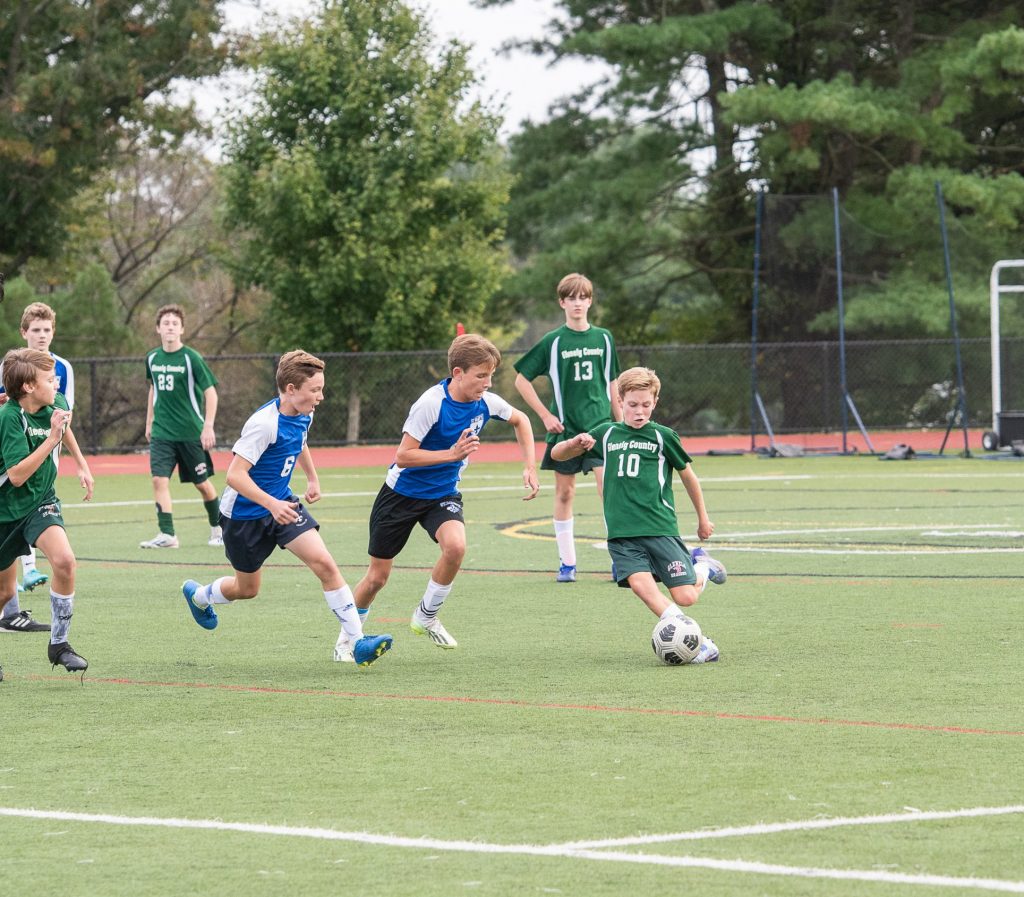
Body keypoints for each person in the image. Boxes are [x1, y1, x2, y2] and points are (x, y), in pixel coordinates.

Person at [179, 350, 393, 667]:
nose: (320, 396)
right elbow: (235, 475)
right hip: (243, 518)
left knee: (325, 565)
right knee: (247, 588)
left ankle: (356, 642)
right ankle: (199, 596)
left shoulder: (304, 412)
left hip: (284, 505)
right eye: (315, 390)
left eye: (321, 389)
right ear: (291, 389)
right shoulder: (263, 425)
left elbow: (300, 441)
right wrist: (270, 504)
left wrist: (312, 478)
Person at [345, 334, 539, 658]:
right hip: (400, 495)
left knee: (457, 546)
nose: (488, 383)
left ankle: (427, 615)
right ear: (458, 373)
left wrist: (530, 466)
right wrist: (450, 454)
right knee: (377, 578)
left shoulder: (486, 403)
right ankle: (347, 638)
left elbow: (521, 420)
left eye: (491, 376)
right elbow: (404, 456)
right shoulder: (431, 404)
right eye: (481, 376)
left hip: (442, 494)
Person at [551, 366, 726, 664]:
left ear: (655, 402)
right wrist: (574, 443)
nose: (639, 411)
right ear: (619, 401)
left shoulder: (663, 436)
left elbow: (689, 477)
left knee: (686, 597)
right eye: (632, 405)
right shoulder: (606, 433)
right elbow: (558, 455)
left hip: (660, 528)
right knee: (641, 586)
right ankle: (697, 640)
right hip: (622, 534)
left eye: (646, 405)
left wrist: (703, 518)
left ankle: (704, 567)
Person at [514, 273, 621, 583]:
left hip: (601, 428)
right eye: (571, 298)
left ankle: (621, 560)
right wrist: (546, 416)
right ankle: (567, 564)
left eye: (583, 297)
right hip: (566, 430)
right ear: (562, 302)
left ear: (590, 301)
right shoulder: (553, 340)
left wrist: (621, 424)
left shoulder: (604, 338)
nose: (577, 303)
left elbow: (613, 384)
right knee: (564, 493)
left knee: (609, 491)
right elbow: (522, 379)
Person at [0, 302, 94, 633]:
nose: (42, 335)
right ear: (24, 333)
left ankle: (58, 641)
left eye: (47, 330)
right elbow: (16, 466)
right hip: (10, 490)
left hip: (40, 490)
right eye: (35, 330)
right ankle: (10, 611)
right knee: (4, 590)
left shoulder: (61, 370)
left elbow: (61, 420)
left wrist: (81, 463)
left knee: (64, 560)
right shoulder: (11, 386)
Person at [141, 304, 221, 549]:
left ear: (182, 329)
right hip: (162, 434)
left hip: (190, 434)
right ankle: (167, 535)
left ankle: (219, 530)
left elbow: (211, 393)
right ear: (158, 328)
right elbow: (153, 389)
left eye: (175, 323)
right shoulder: (152, 358)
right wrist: (149, 421)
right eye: (166, 323)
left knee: (203, 484)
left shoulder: (191, 358)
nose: (170, 327)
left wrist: (208, 426)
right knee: (158, 481)